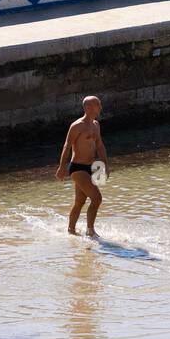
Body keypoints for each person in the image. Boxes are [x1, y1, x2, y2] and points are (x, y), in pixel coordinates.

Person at [56, 95, 109, 238]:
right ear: (88, 107)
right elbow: (67, 146)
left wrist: (105, 164)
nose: (100, 107)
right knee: (97, 198)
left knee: (80, 202)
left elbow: (100, 146)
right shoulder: (77, 125)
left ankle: (71, 230)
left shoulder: (96, 125)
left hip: (90, 167)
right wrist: (62, 167)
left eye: (99, 104)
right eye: (98, 104)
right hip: (77, 168)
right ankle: (90, 230)